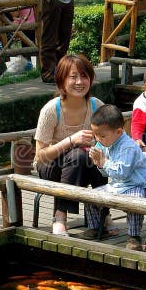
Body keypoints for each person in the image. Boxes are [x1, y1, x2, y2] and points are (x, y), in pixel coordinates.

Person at [34, 54, 106, 235]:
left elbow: (112, 140)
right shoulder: (51, 110)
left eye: (84, 76)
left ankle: (103, 214)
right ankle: (60, 216)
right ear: (61, 81)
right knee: (77, 156)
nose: (79, 82)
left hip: (84, 164)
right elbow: (40, 155)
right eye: (73, 77)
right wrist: (71, 141)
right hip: (51, 166)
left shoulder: (97, 106)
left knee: (96, 156)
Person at [79, 104, 146, 251]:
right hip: (118, 186)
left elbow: (121, 172)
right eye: (96, 135)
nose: (98, 139)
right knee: (90, 196)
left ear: (119, 131)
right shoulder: (104, 143)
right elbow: (108, 174)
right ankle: (96, 227)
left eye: (102, 135)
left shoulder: (128, 147)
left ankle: (134, 236)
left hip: (136, 185)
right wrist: (99, 164)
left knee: (134, 203)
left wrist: (104, 162)